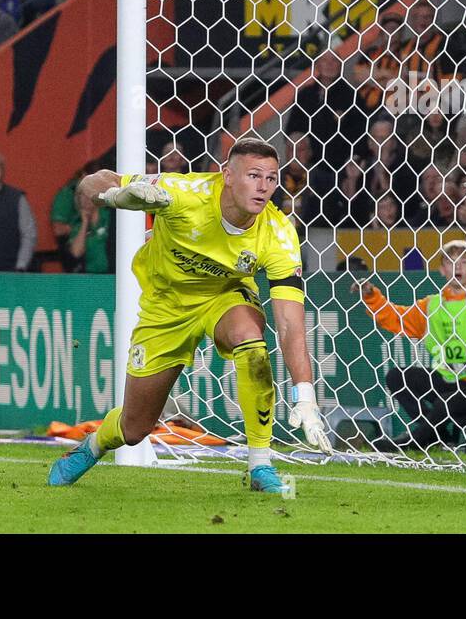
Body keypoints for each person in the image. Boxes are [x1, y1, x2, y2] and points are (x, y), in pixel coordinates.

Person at [46, 138, 333, 494]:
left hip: (224, 296)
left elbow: (290, 323)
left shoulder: (278, 234)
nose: (263, 187)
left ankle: (260, 463)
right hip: (166, 306)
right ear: (227, 175)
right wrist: (116, 195)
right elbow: (93, 182)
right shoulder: (183, 193)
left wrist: (304, 393)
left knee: (250, 338)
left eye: (271, 178)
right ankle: (92, 446)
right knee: (134, 429)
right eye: (254, 175)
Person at [357, 239, 466, 450]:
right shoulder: (432, 305)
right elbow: (396, 317)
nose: (457, 267)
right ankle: (439, 437)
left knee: (448, 400)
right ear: (441, 269)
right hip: (447, 378)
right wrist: (371, 297)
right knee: (396, 377)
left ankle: (412, 443)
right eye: (450, 261)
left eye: (464, 262)